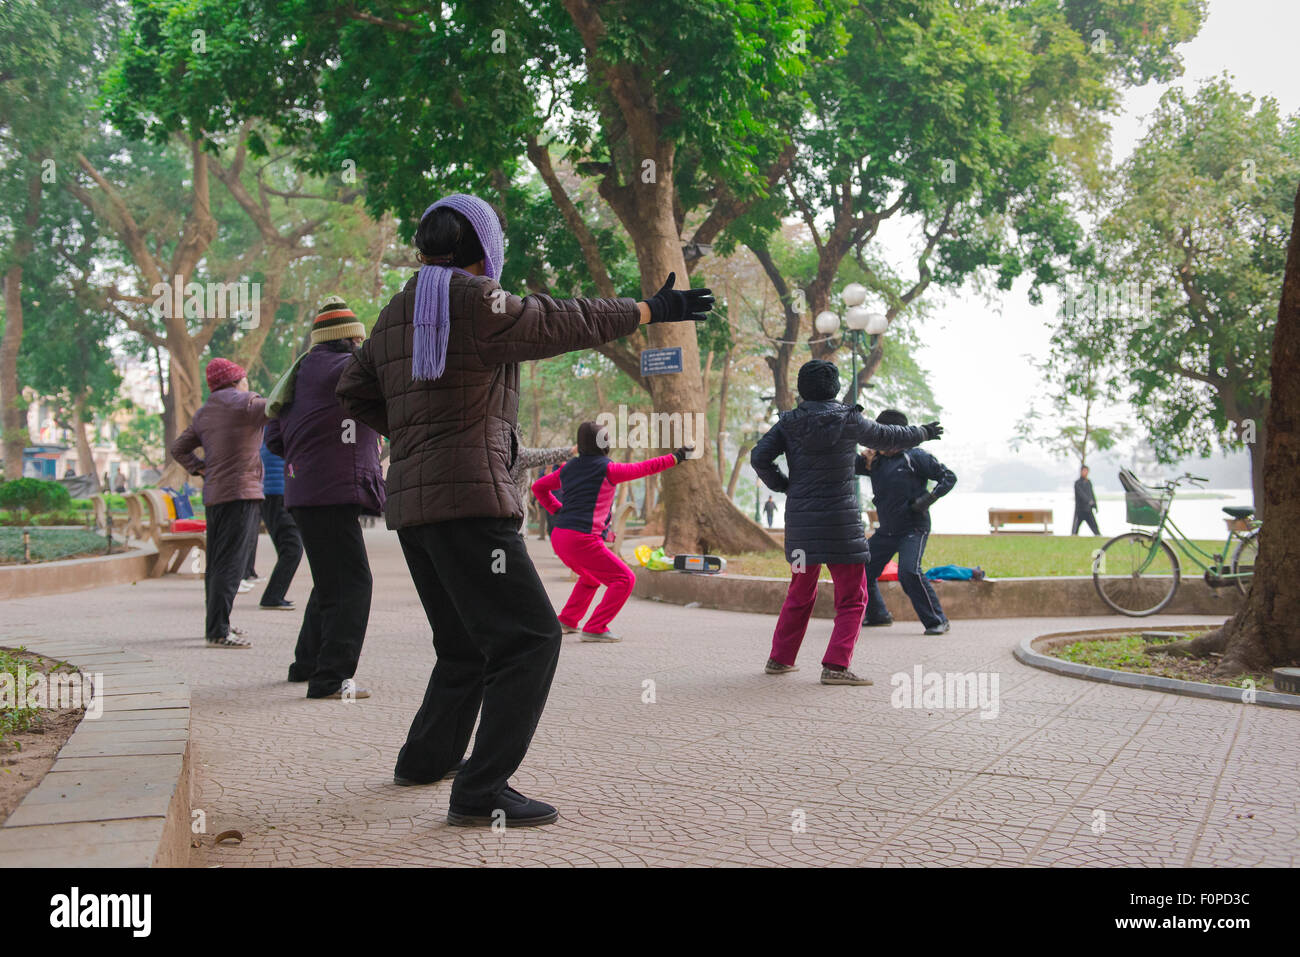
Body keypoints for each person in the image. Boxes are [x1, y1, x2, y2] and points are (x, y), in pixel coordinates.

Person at [336, 192, 713, 828]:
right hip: (470, 501)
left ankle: (427, 759)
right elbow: (557, 320)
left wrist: (413, 432)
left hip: (414, 507)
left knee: (463, 643)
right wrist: (650, 309)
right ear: (483, 249)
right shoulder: (476, 300)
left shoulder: (399, 310)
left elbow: (353, 390)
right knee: (532, 639)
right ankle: (481, 789)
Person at [751, 360, 941, 685]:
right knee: (853, 597)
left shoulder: (788, 423)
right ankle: (836, 666)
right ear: (836, 388)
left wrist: (784, 485)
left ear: (801, 389)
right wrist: (922, 432)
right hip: (842, 526)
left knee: (799, 592)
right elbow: (887, 436)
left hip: (801, 528)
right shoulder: (848, 419)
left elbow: (759, 457)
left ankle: (780, 659)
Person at [266, 296, 385, 700]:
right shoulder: (352, 367)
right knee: (354, 583)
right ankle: (331, 679)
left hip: (303, 490)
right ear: (353, 338)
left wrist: (309, 462)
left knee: (330, 581)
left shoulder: (297, 374)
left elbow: (274, 439)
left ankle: (307, 664)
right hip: (332, 492)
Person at [533, 422, 688, 642]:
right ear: (605, 444)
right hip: (582, 539)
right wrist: (676, 457)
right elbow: (644, 468)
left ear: (581, 444)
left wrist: (557, 510)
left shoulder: (568, 468)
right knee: (625, 579)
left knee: (590, 577)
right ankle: (596, 628)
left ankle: (567, 620)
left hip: (560, 536)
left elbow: (538, 487)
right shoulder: (608, 469)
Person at [170, 358, 268, 648]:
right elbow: (280, 407)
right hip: (242, 494)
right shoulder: (248, 403)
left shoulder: (204, 413)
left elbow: (179, 448)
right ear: (237, 380)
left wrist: (202, 468)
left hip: (215, 496)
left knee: (216, 563)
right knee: (233, 564)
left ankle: (216, 624)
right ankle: (219, 632)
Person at [859, 410, 957, 636]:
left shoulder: (916, 457)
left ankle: (937, 620)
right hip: (887, 530)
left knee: (909, 572)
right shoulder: (875, 460)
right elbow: (844, 461)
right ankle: (878, 615)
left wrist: (926, 501)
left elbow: (948, 477)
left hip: (914, 527)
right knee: (862, 570)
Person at [255, 432, 303, 610]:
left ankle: (273, 595)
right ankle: (272, 597)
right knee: (292, 549)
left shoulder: (271, 426)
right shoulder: (282, 425)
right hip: (277, 493)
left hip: (273, 493)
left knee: (289, 549)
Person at [508, 431, 574, 535]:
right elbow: (539, 486)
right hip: (516, 518)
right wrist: (571, 451)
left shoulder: (568, 468)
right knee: (551, 523)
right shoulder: (560, 469)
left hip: (561, 503)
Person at [1072, 464, 1100, 535]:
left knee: (1095, 528)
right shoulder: (1077, 483)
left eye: (1086, 471)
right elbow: (1081, 494)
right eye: (1084, 471)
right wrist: (1088, 501)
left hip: (1088, 510)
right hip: (1080, 510)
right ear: (1081, 471)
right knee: (1075, 530)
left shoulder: (1089, 482)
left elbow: (1092, 494)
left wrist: (1095, 505)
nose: (1085, 472)